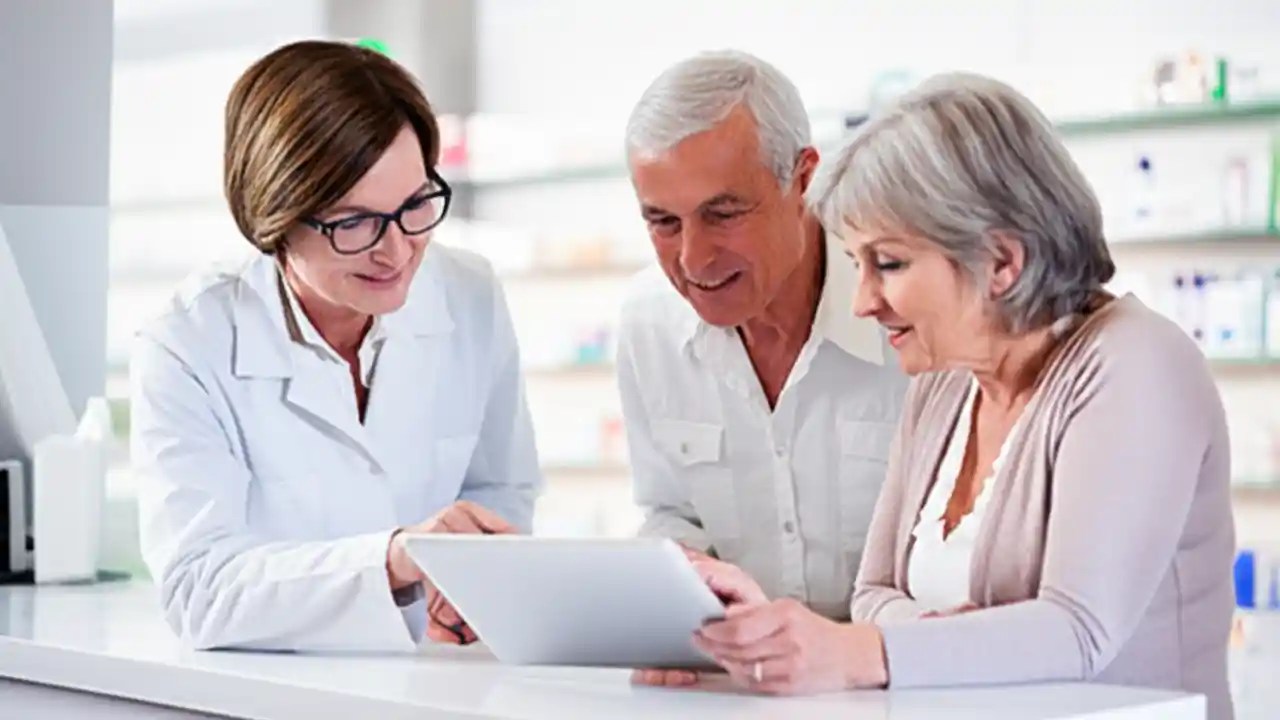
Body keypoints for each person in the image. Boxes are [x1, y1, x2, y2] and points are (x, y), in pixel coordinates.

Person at [640, 73, 1236, 719]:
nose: (863, 300)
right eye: (857, 263)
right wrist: (949, 635)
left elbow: (1076, 629)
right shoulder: (945, 384)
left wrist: (865, 651)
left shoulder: (1135, 365)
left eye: (888, 264)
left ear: (1001, 262)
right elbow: (871, 592)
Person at [131, 40, 542, 652]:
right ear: (274, 219)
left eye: (414, 206)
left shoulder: (469, 293)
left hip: (437, 676)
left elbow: (499, 492)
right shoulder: (188, 342)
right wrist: (395, 561)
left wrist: (463, 587)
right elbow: (200, 589)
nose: (397, 250)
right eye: (354, 223)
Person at [618, 48, 907, 647]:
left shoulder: (906, 310)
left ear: (802, 178)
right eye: (663, 223)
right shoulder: (649, 322)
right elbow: (672, 513)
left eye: (722, 214)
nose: (693, 260)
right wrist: (678, 602)